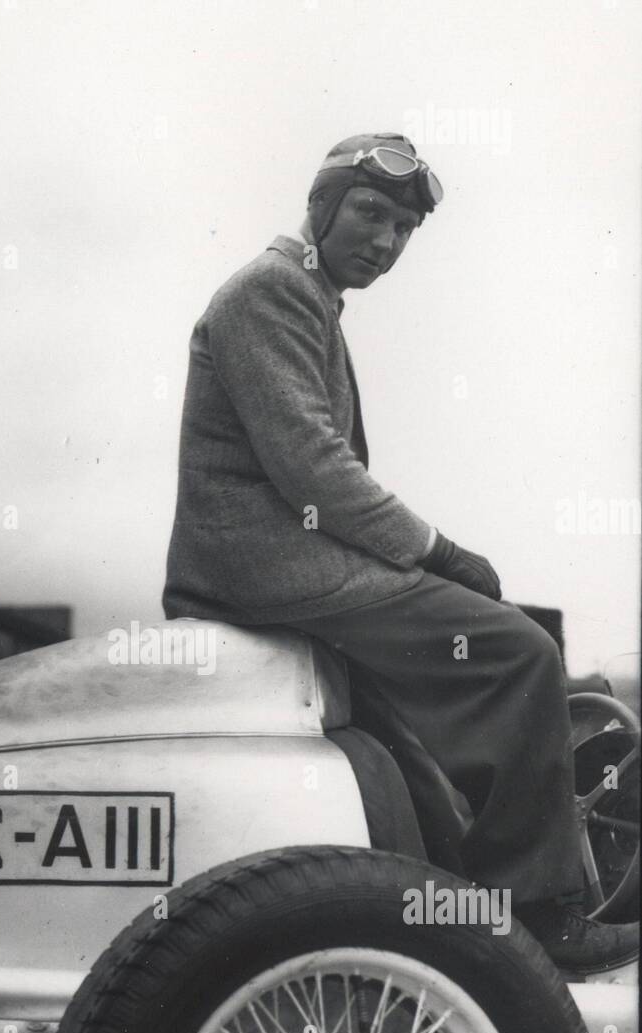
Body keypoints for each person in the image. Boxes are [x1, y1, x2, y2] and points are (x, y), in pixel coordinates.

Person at [163, 132, 636, 971]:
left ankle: (468, 940)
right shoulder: (270, 291)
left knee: (410, 764)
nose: (383, 241)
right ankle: (544, 917)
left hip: (273, 569)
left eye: (403, 228)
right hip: (266, 571)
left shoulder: (302, 295)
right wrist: (438, 552)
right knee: (520, 654)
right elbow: (312, 471)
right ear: (321, 206)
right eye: (370, 213)